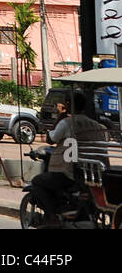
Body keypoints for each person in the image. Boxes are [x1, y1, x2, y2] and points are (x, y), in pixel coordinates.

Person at [29, 91, 108, 226]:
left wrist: (61, 115)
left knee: (37, 182)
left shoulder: (67, 123)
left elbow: (50, 139)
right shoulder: (99, 126)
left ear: (68, 104)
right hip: (95, 173)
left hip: (71, 173)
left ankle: (52, 216)